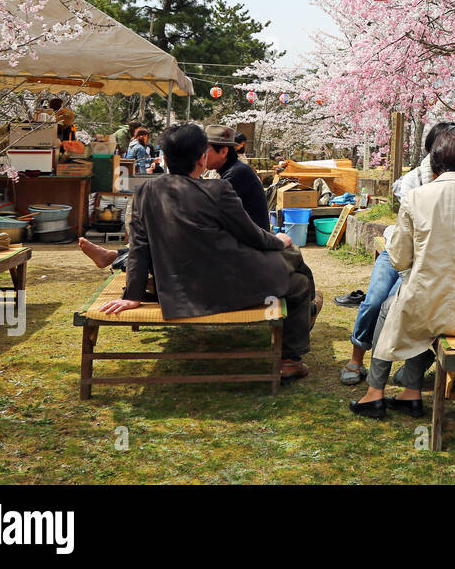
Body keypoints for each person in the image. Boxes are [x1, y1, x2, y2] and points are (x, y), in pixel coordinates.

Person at [98, 123, 317, 380]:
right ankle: (290, 358)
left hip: (176, 294)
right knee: (299, 279)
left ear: (165, 159)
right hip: (223, 288)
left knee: (293, 264)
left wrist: (133, 294)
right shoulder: (218, 189)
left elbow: (139, 246)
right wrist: (281, 241)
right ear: (202, 159)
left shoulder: (145, 192)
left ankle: (305, 314)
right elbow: (253, 235)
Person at [350, 131, 455, 419]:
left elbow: (399, 258)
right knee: (426, 313)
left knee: (397, 307)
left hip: (426, 309)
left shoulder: (415, 198)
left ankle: (374, 393)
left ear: (434, 165)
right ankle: (410, 392)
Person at [340, 121, 455, 386]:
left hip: (427, 258)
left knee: (408, 305)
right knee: (375, 300)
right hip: (398, 250)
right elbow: (414, 223)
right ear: (432, 149)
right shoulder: (413, 179)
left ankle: (410, 373)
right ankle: (357, 356)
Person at [203, 125, 271, 233]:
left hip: (253, 243)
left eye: (206, 150)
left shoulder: (236, 174)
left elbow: (210, 211)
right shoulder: (235, 170)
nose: (202, 155)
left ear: (224, 152)